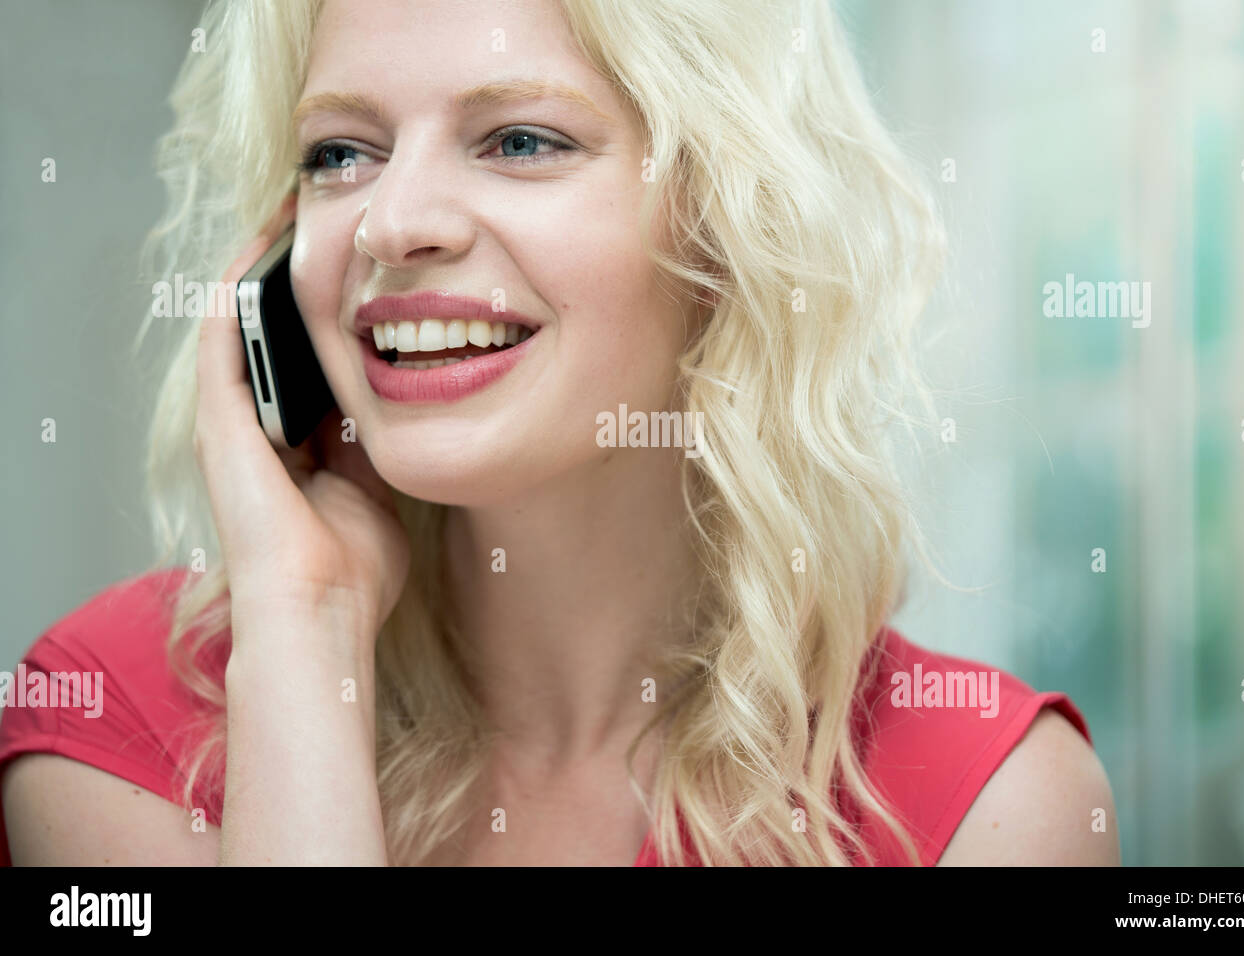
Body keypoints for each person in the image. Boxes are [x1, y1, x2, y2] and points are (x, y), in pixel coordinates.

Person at [0, 0, 1118, 866]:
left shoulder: (990, 808)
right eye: (340, 153)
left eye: (519, 139)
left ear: (730, 226)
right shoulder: (116, 719)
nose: (394, 223)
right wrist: (303, 631)